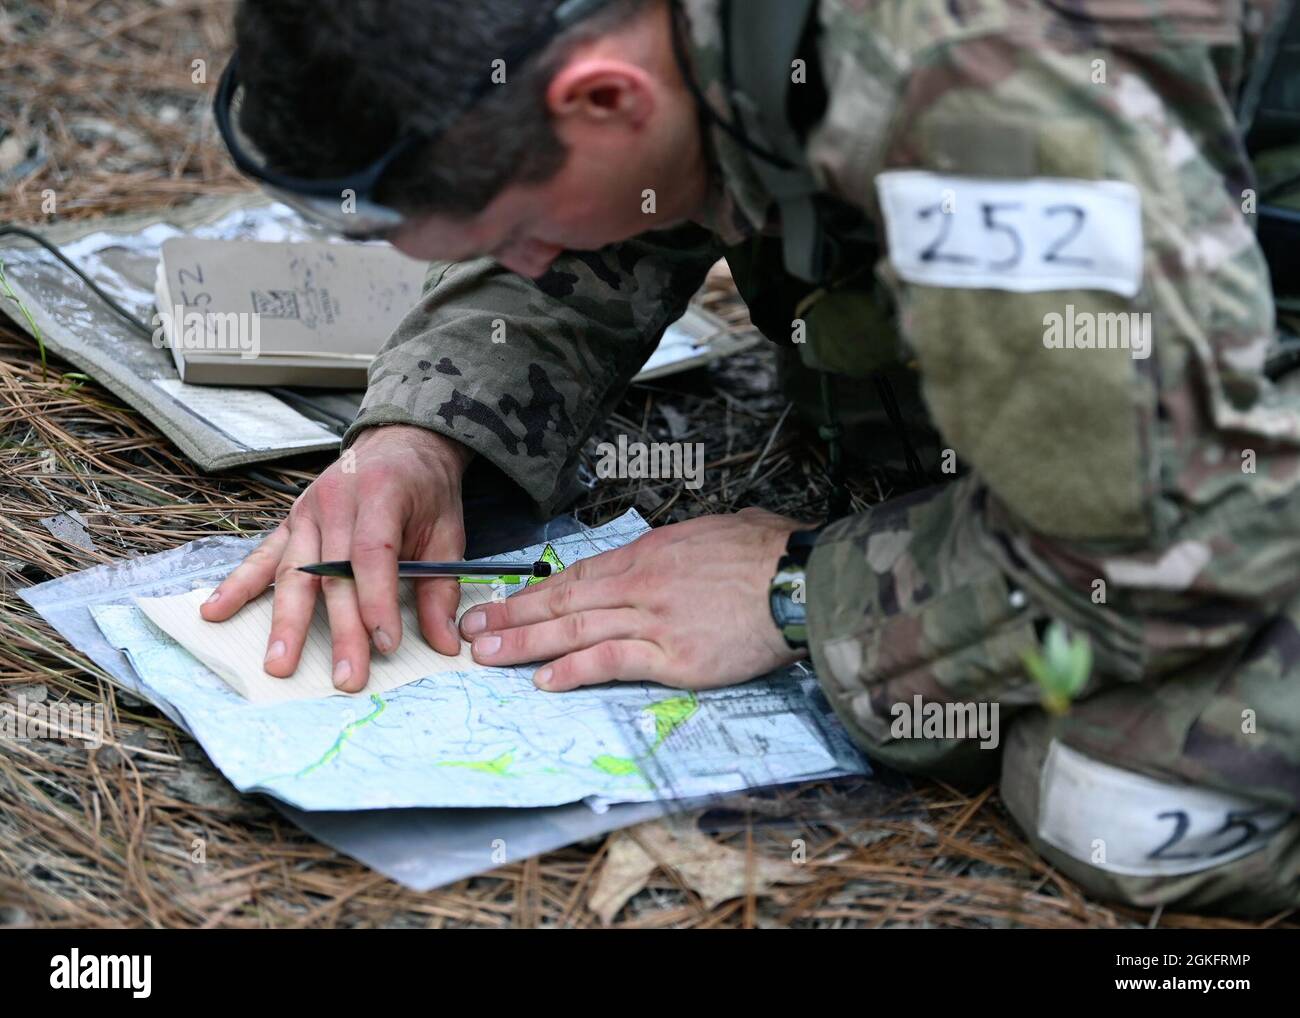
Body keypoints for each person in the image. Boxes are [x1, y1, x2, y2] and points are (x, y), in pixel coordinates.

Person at [208, 0, 1300, 914]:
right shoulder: (662, 40)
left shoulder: (974, 97)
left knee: (1124, 798)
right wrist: (430, 429)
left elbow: (1180, 536)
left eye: (513, 235)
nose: (525, 262)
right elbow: (642, 187)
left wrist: (805, 593)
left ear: (604, 95)